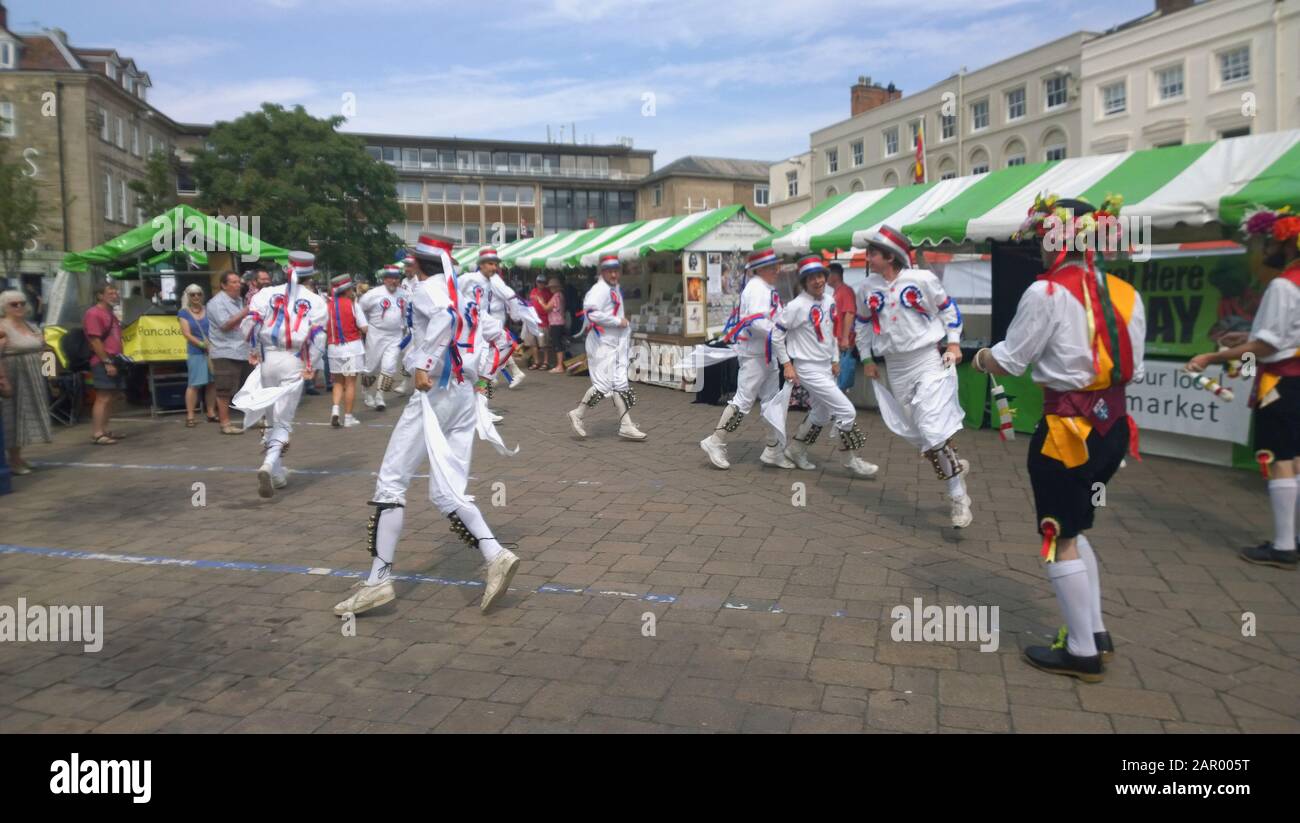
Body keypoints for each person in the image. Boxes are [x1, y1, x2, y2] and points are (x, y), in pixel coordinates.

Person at [972, 193, 1140, 681]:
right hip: (1113, 430)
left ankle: (1083, 651)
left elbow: (1011, 359)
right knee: (1075, 526)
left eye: (1042, 239)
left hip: (1067, 432)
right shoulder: (1127, 294)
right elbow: (1137, 368)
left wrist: (980, 358)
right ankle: (1097, 631)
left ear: (1055, 239)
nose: (1038, 250)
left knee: (1057, 534)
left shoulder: (1045, 292)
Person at [334, 233, 520, 617]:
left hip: (434, 396)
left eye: (409, 259)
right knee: (446, 490)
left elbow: (445, 319)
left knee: (391, 483)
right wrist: (481, 380)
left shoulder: (427, 290)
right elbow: (503, 340)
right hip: (463, 397)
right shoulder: (462, 293)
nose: (405, 265)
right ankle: (496, 554)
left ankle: (378, 580)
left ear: (418, 263)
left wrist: (425, 365)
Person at [1187, 205, 1300, 569]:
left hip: (1282, 382)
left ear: (1285, 246)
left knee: (1281, 459)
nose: (1263, 250)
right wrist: (1247, 336)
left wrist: (1211, 357)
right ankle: (1292, 539)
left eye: (1267, 244)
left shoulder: (1283, 285)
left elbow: (1268, 346)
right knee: (1295, 459)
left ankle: (1284, 546)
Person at [856, 225, 972, 528]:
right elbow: (863, 325)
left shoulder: (922, 279)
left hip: (925, 360)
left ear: (891, 256)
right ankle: (953, 463)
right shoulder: (866, 287)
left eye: (873, 253)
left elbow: (949, 309)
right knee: (920, 433)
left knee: (932, 427)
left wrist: (955, 342)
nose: (868, 257)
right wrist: (867, 358)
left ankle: (958, 497)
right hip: (895, 367)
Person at [772, 256, 878, 478]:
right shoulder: (796, 306)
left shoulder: (829, 300)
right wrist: (787, 364)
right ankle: (850, 460)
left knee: (821, 413)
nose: (817, 281)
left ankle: (796, 449)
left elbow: (830, 334)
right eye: (811, 278)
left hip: (825, 367)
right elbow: (776, 335)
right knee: (846, 411)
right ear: (804, 281)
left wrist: (835, 359)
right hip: (808, 368)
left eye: (820, 276)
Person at [232, 251, 327, 498]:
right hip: (293, 359)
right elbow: (318, 337)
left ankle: (276, 471)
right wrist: (312, 365)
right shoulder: (315, 301)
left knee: (271, 415)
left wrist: (253, 350)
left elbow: (250, 324)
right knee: (284, 419)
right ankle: (268, 462)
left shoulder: (266, 293)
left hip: (269, 359)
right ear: (310, 274)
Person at [699, 248, 794, 470]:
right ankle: (715, 441)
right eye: (772, 267)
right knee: (743, 401)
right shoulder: (756, 288)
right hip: (755, 354)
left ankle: (773, 449)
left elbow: (771, 319)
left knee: (771, 402)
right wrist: (777, 332)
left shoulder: (766, 288)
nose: (777, 270)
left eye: (777, 266)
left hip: (766, 353)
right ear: (759, 269)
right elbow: (755, 321)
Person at [567, 255, 646, 440]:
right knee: (602, 386)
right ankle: (577, 414)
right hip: (602, 343)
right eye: (609, 271)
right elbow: (592, 313)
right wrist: (618, 321)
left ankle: (626, 425)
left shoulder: (614, 287)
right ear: (602, 272)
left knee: (620, 384)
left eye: (616, 270)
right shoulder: (599, 289)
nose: (613, 274)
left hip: (615, 343)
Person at [0, 289, 52, 474]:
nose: (19, 306)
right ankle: (13, 461)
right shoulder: (2, 328)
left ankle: (18, 457)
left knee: (25, 417)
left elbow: (46, 350)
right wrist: (3, 379)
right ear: (4, 307)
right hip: (13, 374)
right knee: (13, 417)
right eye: (14, 304)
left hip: (33, 377)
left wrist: (51, 375)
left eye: (22, 303)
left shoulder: (32, 326)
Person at [207, 271, 252, 435]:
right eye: (233, 282)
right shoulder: (216, 302)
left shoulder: (239, 301)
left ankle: (251, 418)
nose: (237, 285)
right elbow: (225, 324)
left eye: (238, 282)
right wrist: (247, 310)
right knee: (224, 390)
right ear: (223, 285)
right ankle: (225, 424)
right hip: (225, 351)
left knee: (248, 387)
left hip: (243, 350)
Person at [359, 265, 407, 412]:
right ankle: (367, 392)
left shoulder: (404, 294)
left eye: (396, 278)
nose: (394, 281)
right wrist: (363, 324)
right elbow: (359, 308)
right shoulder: (373, 294)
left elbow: (406, 312)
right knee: (371, 367)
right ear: (384, 279)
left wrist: (405, 326)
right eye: (391, 278)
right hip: (376, 334)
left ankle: (380, 397)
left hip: (395, 335)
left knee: (390, 367)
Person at [83, 283, 127, 445]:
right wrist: (107, 362)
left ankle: (104, 429)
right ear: (100, 295)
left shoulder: (111, 314)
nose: (115, 295)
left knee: (112, 396)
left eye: (116, 292)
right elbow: (95, 341)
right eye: (110, 292)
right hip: (103, 360)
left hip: (115, 358)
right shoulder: (94, 313)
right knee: (103, 396)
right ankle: (97, 433)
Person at [325, 274, 367, 428]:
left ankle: (335, 410)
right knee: (350, 383)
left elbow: (323, 327)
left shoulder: (327, 306)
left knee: (337, 382)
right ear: (347, 290)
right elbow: (364, 327)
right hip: (351, 349)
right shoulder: (353, 305)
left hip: (333, 349)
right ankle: (348, 417)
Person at [177, 283, 217, 427]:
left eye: (199, 294)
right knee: (194, 384)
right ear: (187, 296)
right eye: (192, 294)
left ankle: (211, 412)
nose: (196, 297)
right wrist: (201, 345)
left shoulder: (208, 310)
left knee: (212, 383)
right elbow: (186, 334)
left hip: (212, 350)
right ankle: (190, 415)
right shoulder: (183, 313)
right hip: (195, 352)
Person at [828, 262, 858, 393]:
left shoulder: (845, 291)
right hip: (836, 340)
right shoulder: (836, 292)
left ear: (834, 275)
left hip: (843, 341)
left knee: (840, 376)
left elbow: (850, 313)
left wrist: (845, 338)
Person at [525, 274, 551, 369]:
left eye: (543, 282)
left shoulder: (548, 293)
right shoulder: (533, 291)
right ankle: (536, 362)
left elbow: (549, 307)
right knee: (533, 343)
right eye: (539, 282)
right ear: (536, 282)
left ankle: (546, 362)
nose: (541, 284)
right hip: (533, 321)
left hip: (543, 321)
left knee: (544, 344)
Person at [545, 275, 567, 373]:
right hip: (560, 322)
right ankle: (560, 364)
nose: (551, 289)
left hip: (556, 323)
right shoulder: (561, 295)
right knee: (559, 343)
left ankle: (559, 366)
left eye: (552, 287)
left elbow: (546, 308)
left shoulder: (556, 296)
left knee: (557, 344)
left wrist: (541, 301)